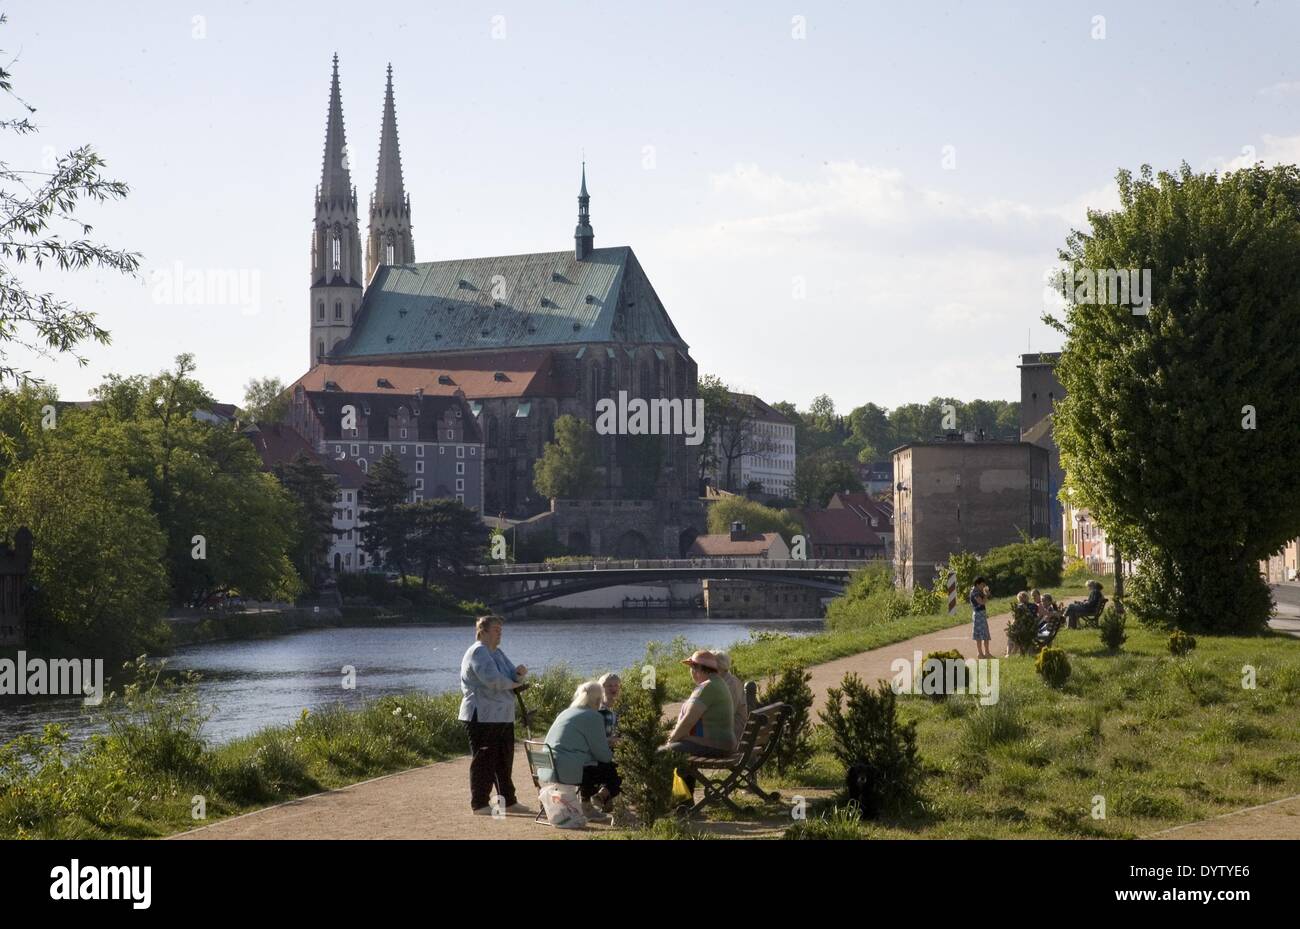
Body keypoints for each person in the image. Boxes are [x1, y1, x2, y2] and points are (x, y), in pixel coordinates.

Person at [458, 615, 531, 816]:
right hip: (482, 714)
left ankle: (508, 801)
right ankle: (480, 803)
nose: (500, 633)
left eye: (501, 629)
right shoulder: (478, 651)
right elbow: (493, 680)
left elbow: (509, 675)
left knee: (503, 759)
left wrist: (519, 673)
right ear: (483, 631)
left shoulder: (497, 652)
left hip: (502, 715)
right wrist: (516, 682)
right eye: (496, 629)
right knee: (484, 760)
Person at [659, 651, 736, 804]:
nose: (691, 672)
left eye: (692, 667)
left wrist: (671, 740)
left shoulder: (707, 688)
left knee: (663, 753)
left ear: (697, 669)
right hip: (720, 743)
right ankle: (684, 801)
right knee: (681, 749)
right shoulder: (717, 683)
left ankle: (665, 802)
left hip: (716, 746)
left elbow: (688, 720)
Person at [541, 681, 620, 821]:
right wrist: (613, 750)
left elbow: (575, 742)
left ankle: (587, 805)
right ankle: (602, 797)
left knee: (588, 763)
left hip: (548, 766)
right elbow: (603, 755)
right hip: (567, 771)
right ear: (598, 700)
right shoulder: (593, 716)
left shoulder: (566, 712)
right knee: (616, 769)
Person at [714, 651, 750, 745]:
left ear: (719, 667)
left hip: (734, 735)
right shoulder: (726, 681)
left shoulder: (730, 685)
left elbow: (724, 716)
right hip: (732, 732)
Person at [970, 576, 992, 659]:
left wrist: (986, 594)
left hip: (980, 613)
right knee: (980, 635)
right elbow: (982, 602)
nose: (984, 586)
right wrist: (986, 595)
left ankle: (985, 653)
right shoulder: (975, 592)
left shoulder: (978, 591)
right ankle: (982, 653)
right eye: (982, 584)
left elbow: (983, 602)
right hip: (978, 614)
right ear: (977, 584)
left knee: (983, 634)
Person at [597, 672, 621, 742]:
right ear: (602, 688)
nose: (613, 689)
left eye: (616, 685)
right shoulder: (596, 710)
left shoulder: (624, 708)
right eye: (609, 686)